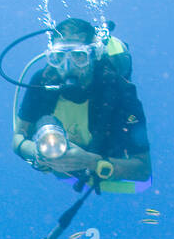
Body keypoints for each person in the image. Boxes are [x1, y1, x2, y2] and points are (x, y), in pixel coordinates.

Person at [11, 18, 151, 187]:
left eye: (79, 56)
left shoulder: (120, 91)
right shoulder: (41, 82)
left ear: (94, 55)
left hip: (102, 156)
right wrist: (37, 154)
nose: (68, 67)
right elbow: (18, 137)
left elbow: (143, 169)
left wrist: (91, 162)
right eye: (59, 57)